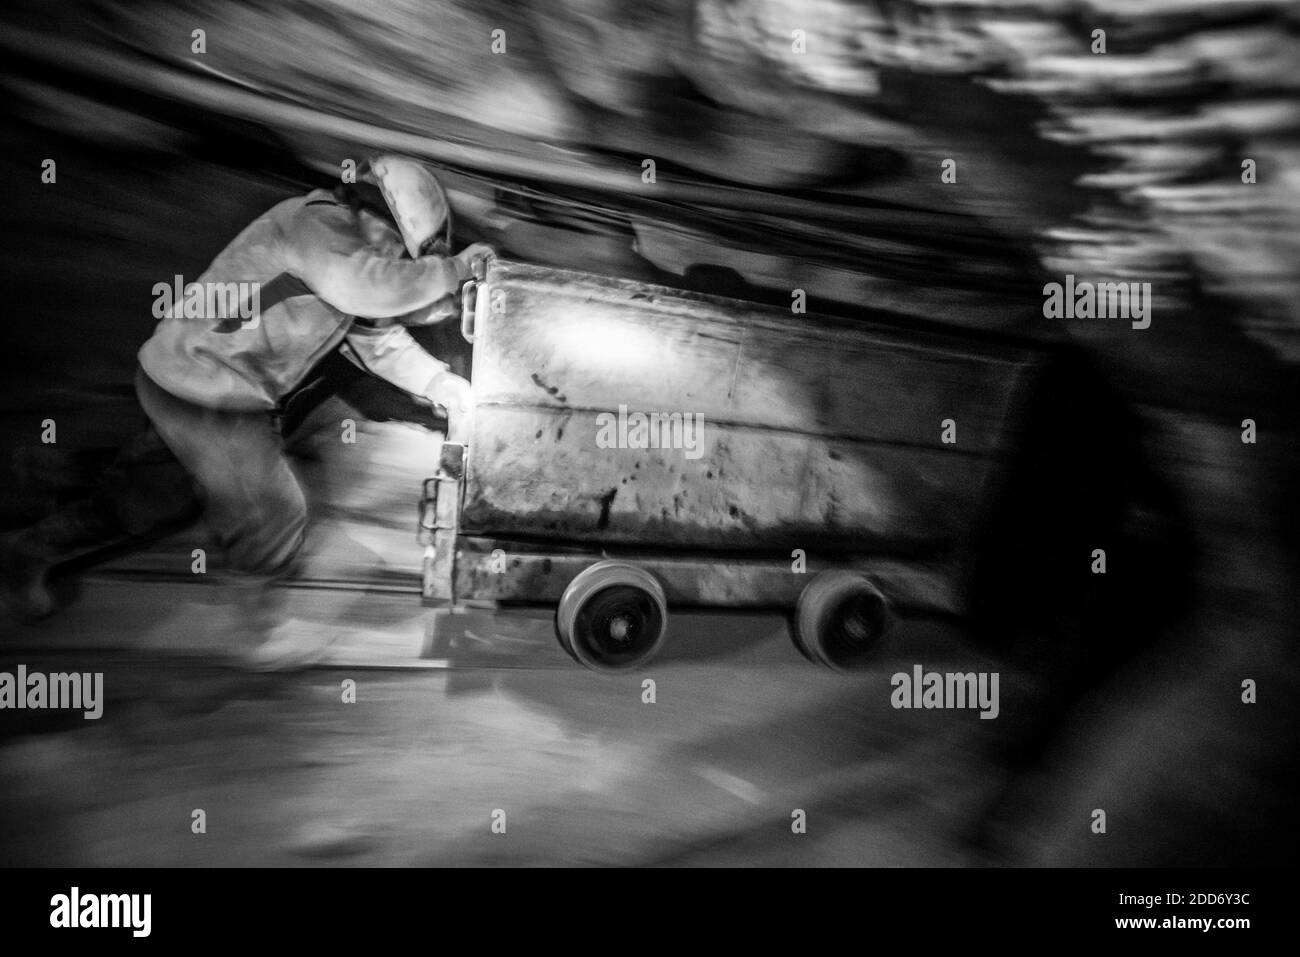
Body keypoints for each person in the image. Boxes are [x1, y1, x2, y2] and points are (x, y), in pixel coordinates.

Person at [0, 155, 492, 670]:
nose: (397, 259)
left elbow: (378, 339)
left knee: (147, 500)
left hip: (187, 381)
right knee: (274, 509)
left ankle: (34, 533)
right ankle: (255, 629)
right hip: (207, 391)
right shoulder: (316, 227)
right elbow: (366, 286)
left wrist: (440, 383)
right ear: (378, 217)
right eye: (399, 249)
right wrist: (451, 270)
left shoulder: (345, 258)